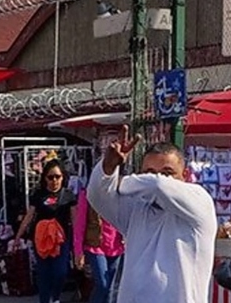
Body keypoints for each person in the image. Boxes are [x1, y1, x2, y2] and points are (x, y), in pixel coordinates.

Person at [87, 126, 218, 303]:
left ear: (185, 175)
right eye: (149, 172)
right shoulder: (137, 209)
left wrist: (124, 182)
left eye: (168, 172)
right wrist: (108, 168)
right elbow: (96, 196)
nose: (159, 178)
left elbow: (158, 186)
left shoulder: (199, 202)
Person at [16, 160, 78, 303]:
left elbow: (75, 220)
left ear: (63, 177)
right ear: (45, 178)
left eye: (57, 176)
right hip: (41, 240)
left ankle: (55, 298)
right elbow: (29, 217)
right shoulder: (38, 195)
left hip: (61, 240)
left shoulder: (69, 196)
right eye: (50, 177)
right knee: (44, 274)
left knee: (60, 272)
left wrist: (77, 244)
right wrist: (18, 236)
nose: (54, 180)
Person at [75, 186, 124, 303]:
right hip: (95, 245)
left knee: (111, 289)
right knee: (103, 284)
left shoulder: (121, 193)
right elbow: (80, 224)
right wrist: (78, 251)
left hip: (116, 246)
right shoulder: (88, 194)